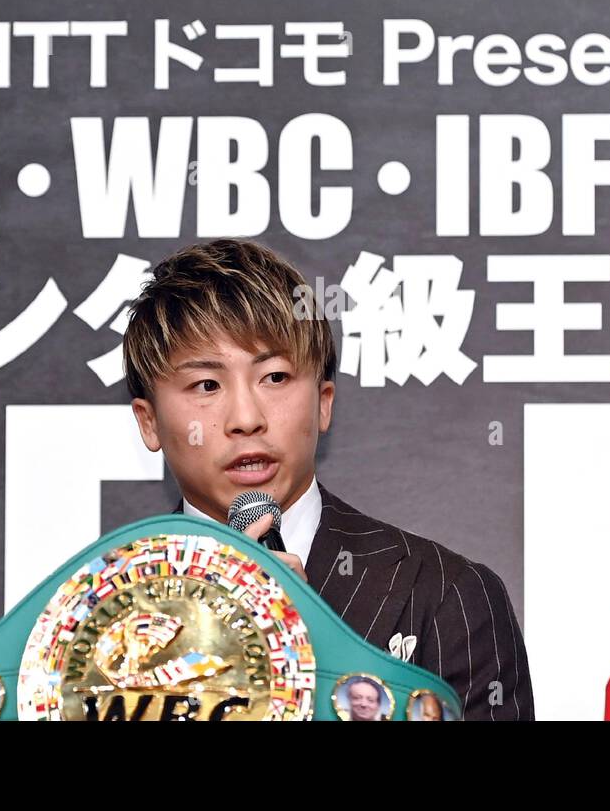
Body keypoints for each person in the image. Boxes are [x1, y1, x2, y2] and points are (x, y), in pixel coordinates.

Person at [123, 239, 534, 720]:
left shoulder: (446, 593)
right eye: (206, 386)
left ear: (323, 401)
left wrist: (315, 660)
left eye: (274, 377)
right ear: (149, 422)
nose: (246, 417)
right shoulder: (101, 611)